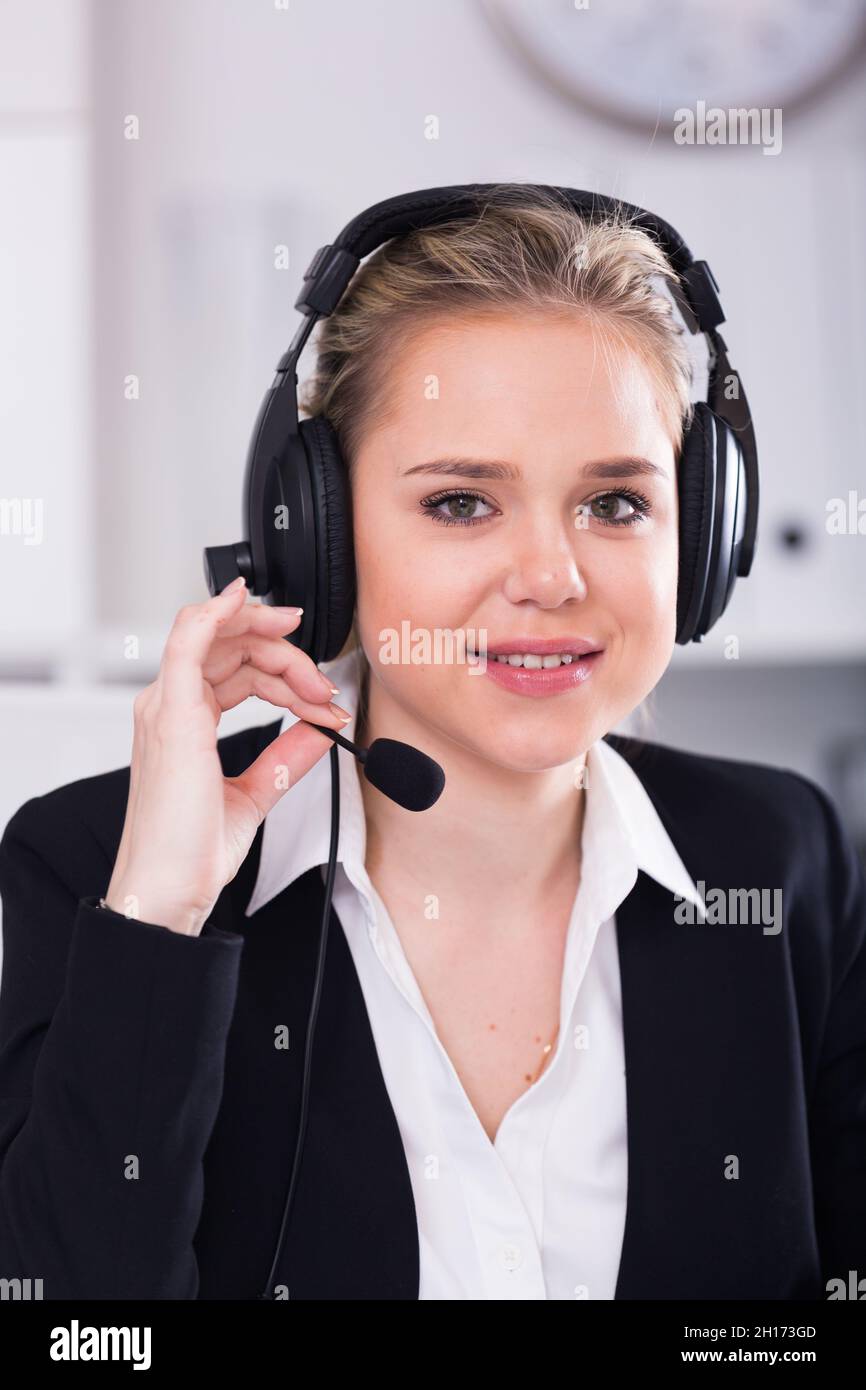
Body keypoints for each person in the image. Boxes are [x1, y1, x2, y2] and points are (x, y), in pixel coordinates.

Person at [0, 185, 863, 1301]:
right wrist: (161, 922)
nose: (551, 577)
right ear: (312, 537)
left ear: (700, 537)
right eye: (461, 502)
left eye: (614, 503)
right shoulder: (93, 866)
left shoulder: (780, 856)